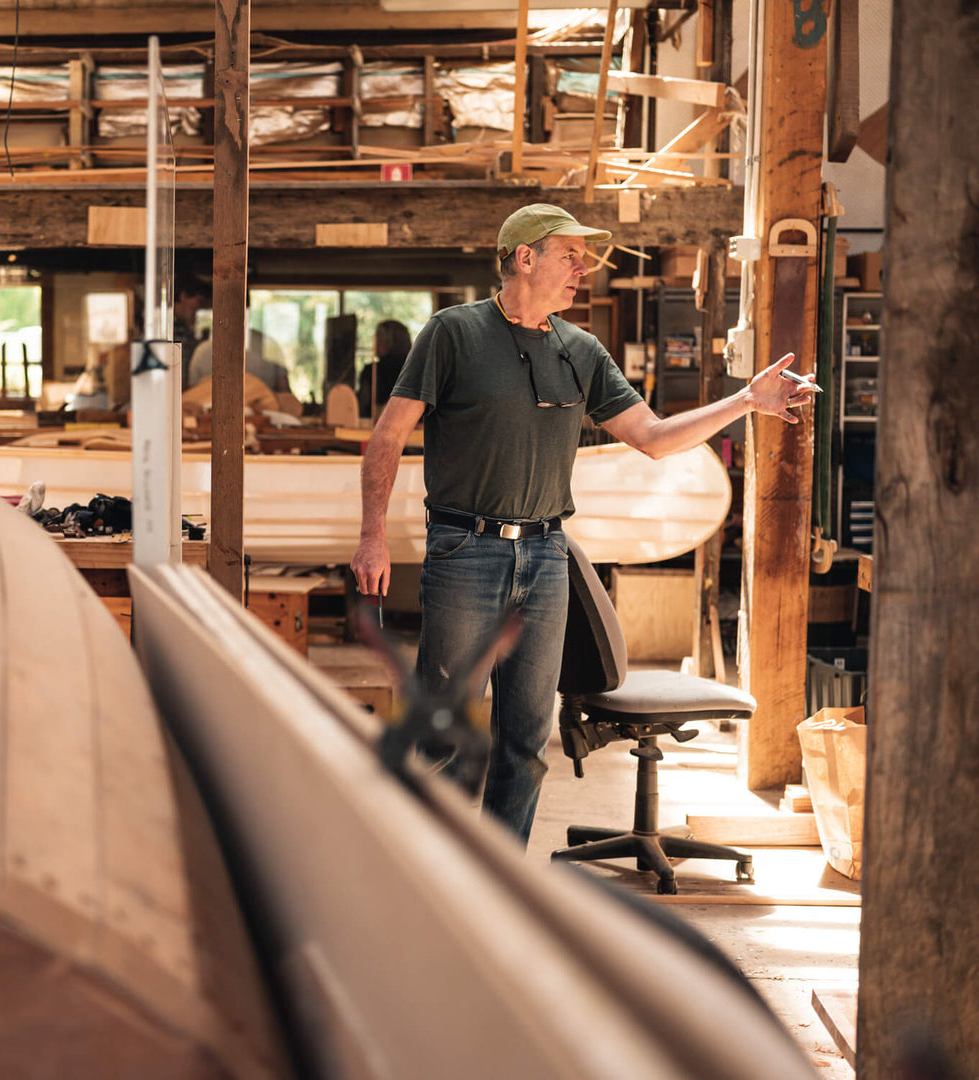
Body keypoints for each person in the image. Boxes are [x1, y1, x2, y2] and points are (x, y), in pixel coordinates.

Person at [349, 203, 818, 845]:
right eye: (571, 254)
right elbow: (388, 437)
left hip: (544, 559)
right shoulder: (452, 333)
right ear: (525, 257)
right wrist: (372, 534)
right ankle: (423, 875)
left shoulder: (582, 350)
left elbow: (651, 437)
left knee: (526, 743)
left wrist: (745, 400)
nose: (583, 268)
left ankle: (503, 881)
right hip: (464, 553)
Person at [188, 324, 292, 395]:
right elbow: (284, 391)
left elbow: (192, 393)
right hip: (266, 419)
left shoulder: (202, 351)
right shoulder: (268, 344)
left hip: (210, 421)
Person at [358, 319, 412, 418]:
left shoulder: (371, 371)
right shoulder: (417, 370)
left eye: (379, 338)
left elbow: (362, 407)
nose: (375, 343)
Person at [174, 276, 211, 388]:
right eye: (198, 301)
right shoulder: (166, 329)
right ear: (183, 296)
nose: (198, 308)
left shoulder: (185, 329)